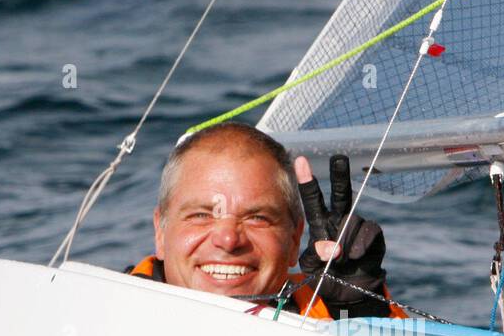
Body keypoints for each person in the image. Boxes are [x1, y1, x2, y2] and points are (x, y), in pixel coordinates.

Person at [126, 122, 407, 319]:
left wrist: (358, 309)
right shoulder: (96, 313)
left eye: (257, 218)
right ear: (160, 233)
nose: (228, 239)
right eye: (201, 215)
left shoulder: (328, 315)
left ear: (295, 239)